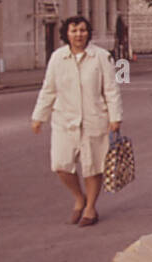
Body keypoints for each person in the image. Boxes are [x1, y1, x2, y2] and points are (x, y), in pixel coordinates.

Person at [30, 15, 123, 226]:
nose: (78, 35)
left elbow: (111, 89)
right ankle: (79, 198)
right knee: (61, 164)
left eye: (82, 30)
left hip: (94, 119)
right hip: (64, 119)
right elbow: (48, 89)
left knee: (92, 166)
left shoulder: (101, 56)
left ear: (88, 33)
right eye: (74, 31)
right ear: (66, 34)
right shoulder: (57, 57)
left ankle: (90, 208)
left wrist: (115, 117)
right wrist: (38, 117)